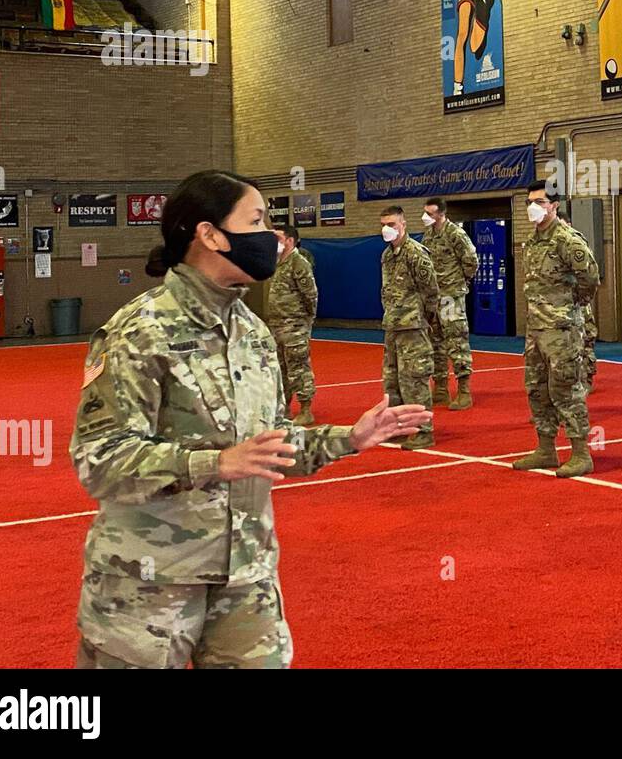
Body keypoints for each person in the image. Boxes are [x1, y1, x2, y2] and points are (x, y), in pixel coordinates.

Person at [70, 171, 429, 668]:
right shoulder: (139, 332)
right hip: (150, 586)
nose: (270, 236)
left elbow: (271, 445)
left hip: (247, 576)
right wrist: (214, 463)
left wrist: (350, 437)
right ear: (210, 235)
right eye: (256, 220)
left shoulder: (253, 333)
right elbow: (100, 460)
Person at [513, 181, 600, 478]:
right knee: (537, 388)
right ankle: (546, 448)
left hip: (562, 329)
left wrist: (571, 307)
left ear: (554, 205)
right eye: (529, 202)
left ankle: (580, 453)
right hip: (536, 328)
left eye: (539, 201)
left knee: (566, 388)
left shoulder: (567, 239)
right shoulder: (533, 240)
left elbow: (590, 278)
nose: (532, 207)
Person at [380, 206, 440, 450]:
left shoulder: (416, 253)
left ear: (403, 224)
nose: (387, 229)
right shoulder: (387, 255)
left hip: (413, 326)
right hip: (393, 326)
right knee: (391, 379)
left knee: (414, 379)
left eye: (392, 224)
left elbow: (431, 291)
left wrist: (424, 318)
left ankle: (424, 430)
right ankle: (400, 427)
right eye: (383, 224)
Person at [420, 197, 478, 410]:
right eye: (425, 211)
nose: (426, 216)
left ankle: (464, 391)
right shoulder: (429, 236)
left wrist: (461, 282)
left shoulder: (455, 233)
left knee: (456, 342)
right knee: (436, 344)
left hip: (451, 296)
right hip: (435, 297)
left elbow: (471, 261)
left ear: (441, 213)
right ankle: (441, 388)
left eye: (430, 212)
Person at [267, 226, 318, 425]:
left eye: (277, 237)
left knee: (298, 368)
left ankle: (306, 410)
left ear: (289, 241)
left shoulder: (299, 263)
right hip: (276, 325)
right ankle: (284, 408)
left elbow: (310, 295)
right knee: (279, 369)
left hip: (294, 325)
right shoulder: (276, 263)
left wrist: (305, 321)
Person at [557, 211, 599, 401]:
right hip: (557, 308)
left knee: (585, 341)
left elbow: (589, 277)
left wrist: (581, 299)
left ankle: (586, 378)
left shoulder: (575, 242)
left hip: (578, 303)